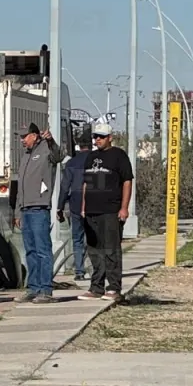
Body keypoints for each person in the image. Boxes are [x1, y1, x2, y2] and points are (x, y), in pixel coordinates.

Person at [78, 122, 134, 301]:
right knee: (95, 250)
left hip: (111, 210)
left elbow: (127, 181)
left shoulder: (119, 156)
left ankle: (114, 288)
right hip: (92, 211)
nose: (97, 140)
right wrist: (84, 207)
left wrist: (124, 207)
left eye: (101, 137)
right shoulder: (91, 157)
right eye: (95, 136)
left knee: (111, 249)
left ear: (110, 137)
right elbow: (87, 183)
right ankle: (96, 287)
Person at [13, 123, 66, 303]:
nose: (22, 140)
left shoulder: (46, 151)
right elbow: (20, 186)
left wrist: (51, 141)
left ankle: (46, 290)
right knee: (30, 251)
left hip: (39, 208)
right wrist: (17, 212)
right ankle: (34, 288)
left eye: (24, 136)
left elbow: (59, 156)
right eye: (20, 137)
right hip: (25, 209)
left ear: (35, 135)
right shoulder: (25, 156)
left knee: (43, 250)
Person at [57, 138, 93, 281]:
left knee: (77, 238)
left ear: (78, 147)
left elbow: (65, 186)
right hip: (93, 201)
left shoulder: (71, 163)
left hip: (76, 202)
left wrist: (60, 206)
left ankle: (79, 271)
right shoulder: (96, 161)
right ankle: (94, 269)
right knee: (93, 238)